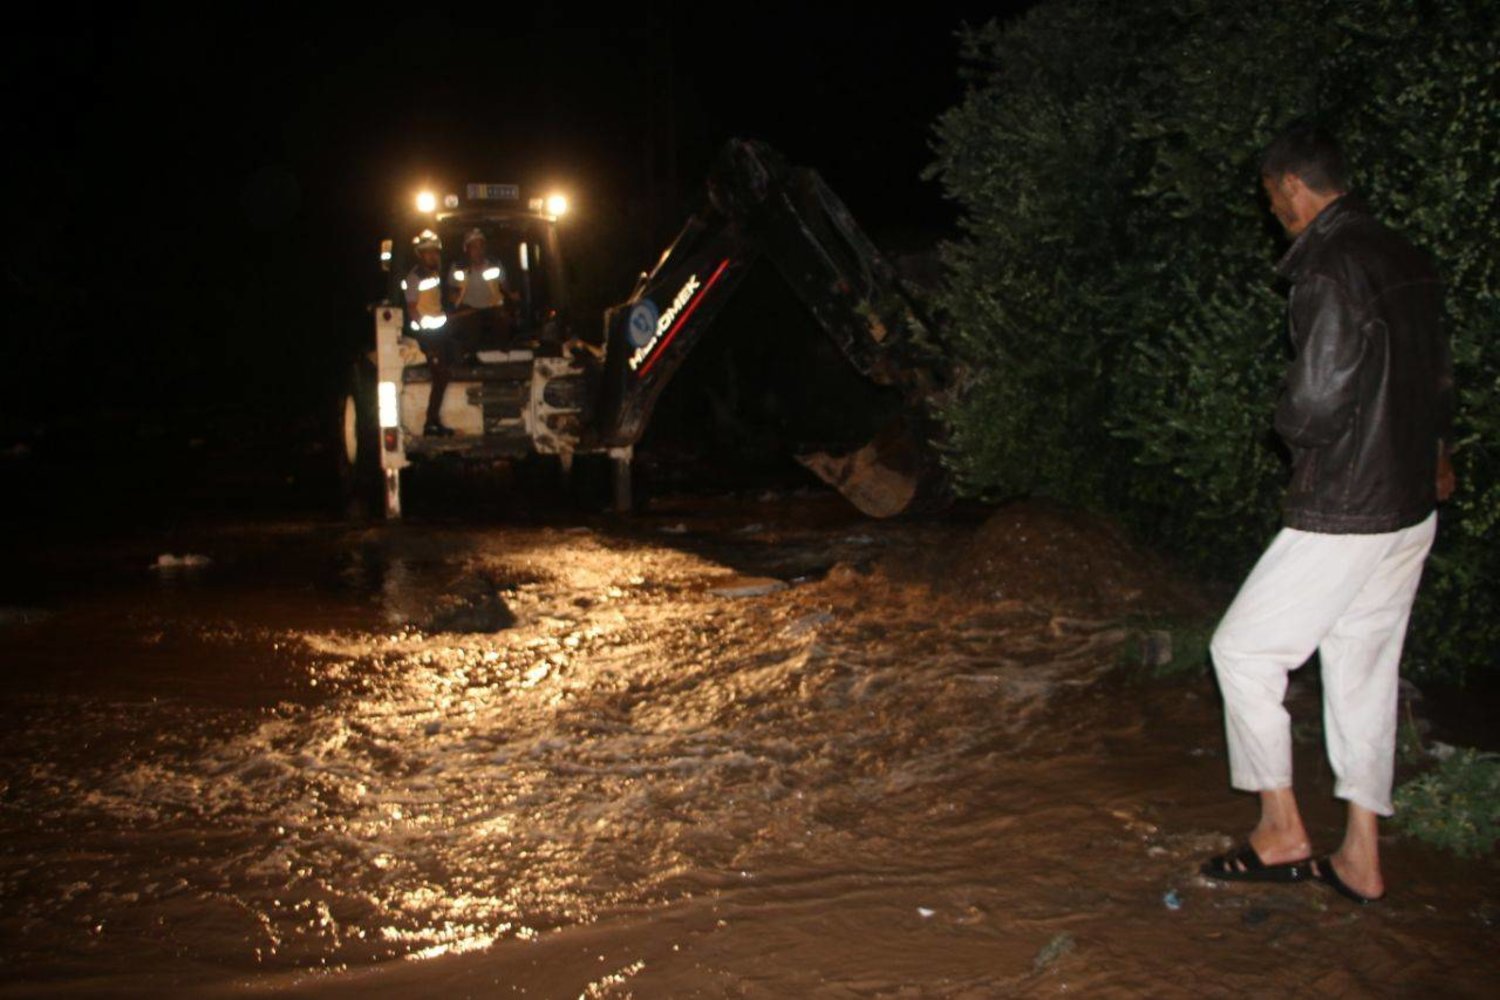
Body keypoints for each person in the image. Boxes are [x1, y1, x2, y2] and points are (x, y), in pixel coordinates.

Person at [1201, 124, 1455, 904]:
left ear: (1292, 188)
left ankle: (1280, 830)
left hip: (1349, 504)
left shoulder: (1331, 267)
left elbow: (1313, 405)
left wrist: (1287, 427)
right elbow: (1440, 376)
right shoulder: (1405, 254)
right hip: (1411, 501)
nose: (1273, 209)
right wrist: (1439, 451)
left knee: (1242, 651)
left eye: (1273, 195)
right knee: (1362, 671)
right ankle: (1360, 858)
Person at [402, 230, 462, 436]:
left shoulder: (435, 275)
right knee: (440, 376)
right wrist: (425, 341)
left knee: (445, 374)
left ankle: (434, 421)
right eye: (428, 253)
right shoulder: (414, 277)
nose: (432, 256)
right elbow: (412, 308)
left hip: (439, 334)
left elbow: (435, 304)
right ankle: (430, 422)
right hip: (427, 337)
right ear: (420, 254)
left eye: (435, 253)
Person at [448, 228, 512, 348]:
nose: (478, 251)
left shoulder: (494, 264)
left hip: (493, 307)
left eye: (481, 246)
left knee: (503, 322)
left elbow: (505, 286)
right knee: (469, 328)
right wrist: (455, 310)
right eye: (474, 247)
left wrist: (511, 300)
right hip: (468, 309)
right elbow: (451, 292)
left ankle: (502, 355)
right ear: (466, 249)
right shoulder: (457, 267)